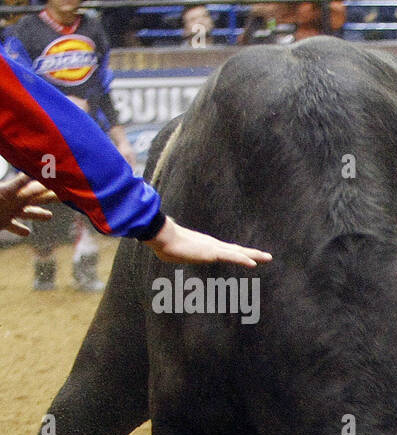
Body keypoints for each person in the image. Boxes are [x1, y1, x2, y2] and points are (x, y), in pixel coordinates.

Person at [0, 41, 270, 267]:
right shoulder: (29, 32)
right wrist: (152, 227)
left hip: (71, 141)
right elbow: (30, 117)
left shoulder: (93, 31)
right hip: (67, 144)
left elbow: (96, 95)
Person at [5, 0, 137, 290]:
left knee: (92, 196)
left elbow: (102, 88)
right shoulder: (25, 31)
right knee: (41, 196)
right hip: (42, 135)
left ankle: (86, 264)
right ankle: (44, 263)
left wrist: (122, 140)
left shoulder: (93, 29)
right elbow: (16, 85)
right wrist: (60, 105)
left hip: (87, 133)